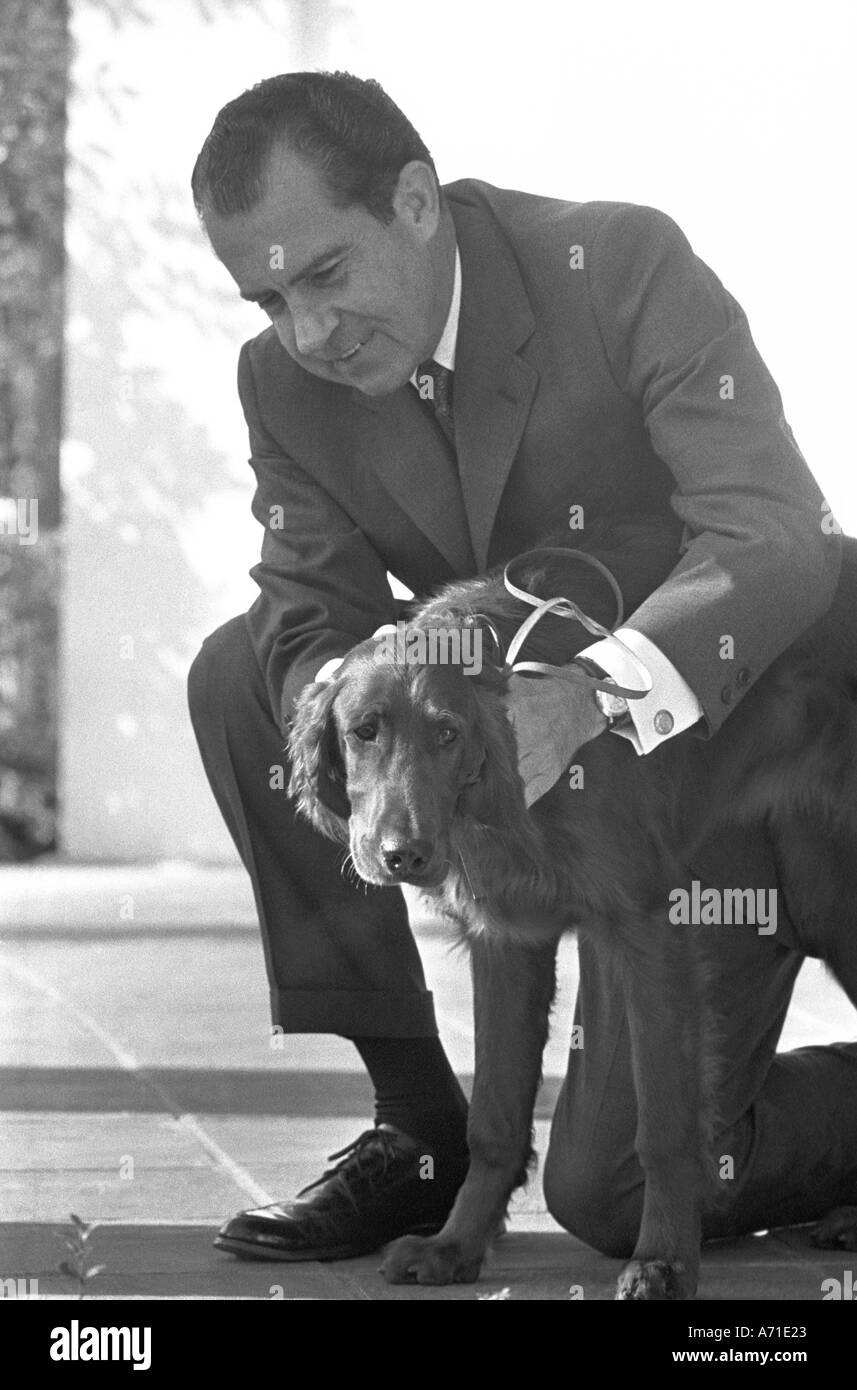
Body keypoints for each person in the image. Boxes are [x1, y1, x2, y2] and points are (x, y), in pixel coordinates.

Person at [187, 70, 855, 1266]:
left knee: (624, 1190)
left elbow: (770, 528)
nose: (306, 334)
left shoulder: (619, 263)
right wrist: (364, 734)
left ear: (414, 202)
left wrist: (594, 696)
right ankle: (416, 1126)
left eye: (326, 276)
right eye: (268, 298)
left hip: (764, 714)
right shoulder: (280, 380)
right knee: (240, 676)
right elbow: (304, 606)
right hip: (541, 782)